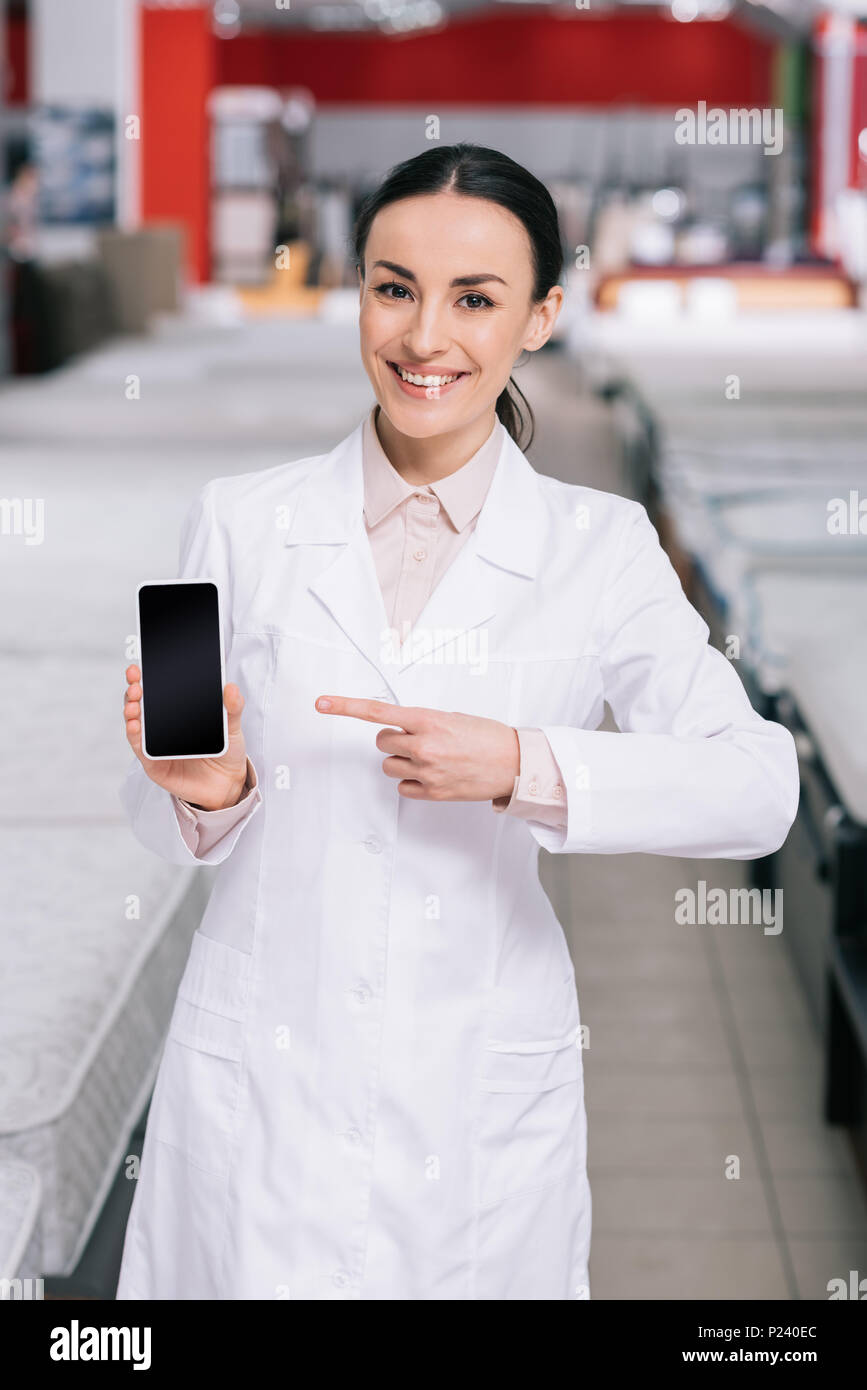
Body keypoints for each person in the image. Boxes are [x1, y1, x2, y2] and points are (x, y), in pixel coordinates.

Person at [116, 143, 799, 1301]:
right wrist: (211, 793)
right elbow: (151, 819)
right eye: (394, 287)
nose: (424, 337)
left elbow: (757, 783)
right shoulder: (240, 520)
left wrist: (525, 764)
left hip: (476, 1071)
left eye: (475, 299)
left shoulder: (601, 546)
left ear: (540, 317)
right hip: (265, 1062)